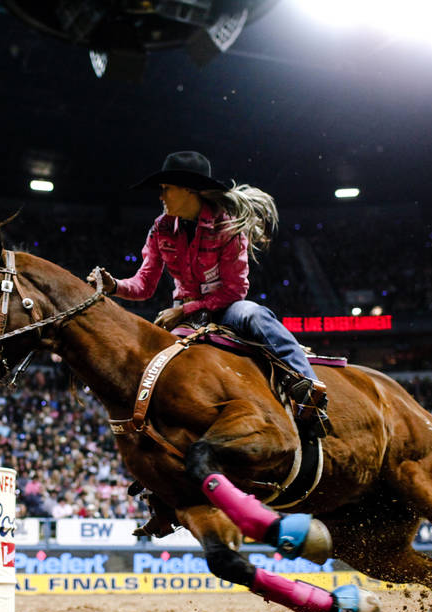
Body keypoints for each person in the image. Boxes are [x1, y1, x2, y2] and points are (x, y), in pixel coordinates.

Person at [87, 151, 327, 436]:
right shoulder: (160, 227)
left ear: (188, 189)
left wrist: (183, 310)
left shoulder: (227, 224)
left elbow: (235, 289)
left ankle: (307, 386)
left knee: (254, 314)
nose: (160, 197)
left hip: (225, 309)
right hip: (183, 315)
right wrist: (114, 285)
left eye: (165, 189)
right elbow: (145, 284)